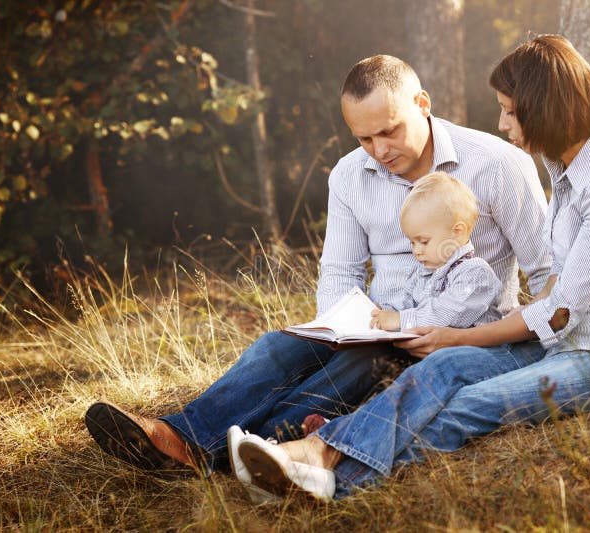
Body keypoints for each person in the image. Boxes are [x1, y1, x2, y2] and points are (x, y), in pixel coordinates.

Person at [231, 34, 590, 502]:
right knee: (439, 369)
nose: (503, 123)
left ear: (546, 107)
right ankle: (312, 455)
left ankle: (329, 478)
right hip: (564, 344)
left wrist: (457, 335)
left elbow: (559, 312)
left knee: (467, 404)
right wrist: (446, 343)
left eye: (510, 110)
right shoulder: (567, 167)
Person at [84, 54, 550, 476]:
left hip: (456, 332)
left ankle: (243, 451)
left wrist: (497, 338)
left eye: (389, 131)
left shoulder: (498, 165)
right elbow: (341, 275)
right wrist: (343, 329)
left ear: (422, 103)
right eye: (364, 138)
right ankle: (179, 436)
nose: (380, 150)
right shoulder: (349, 174)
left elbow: (547, 273)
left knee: (353, 370)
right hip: (378, 325)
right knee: (278, 348)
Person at [370, 171, 502, 332]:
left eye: (424, 241)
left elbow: (446, 315)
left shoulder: (476, 273)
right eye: (412, 242)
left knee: (443, 358)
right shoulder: (425, 272)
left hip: (474, 350)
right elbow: (407, 304)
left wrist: (399, 320)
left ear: (458, 231)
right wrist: (385, 312)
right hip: (431, 346)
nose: (416, 251)